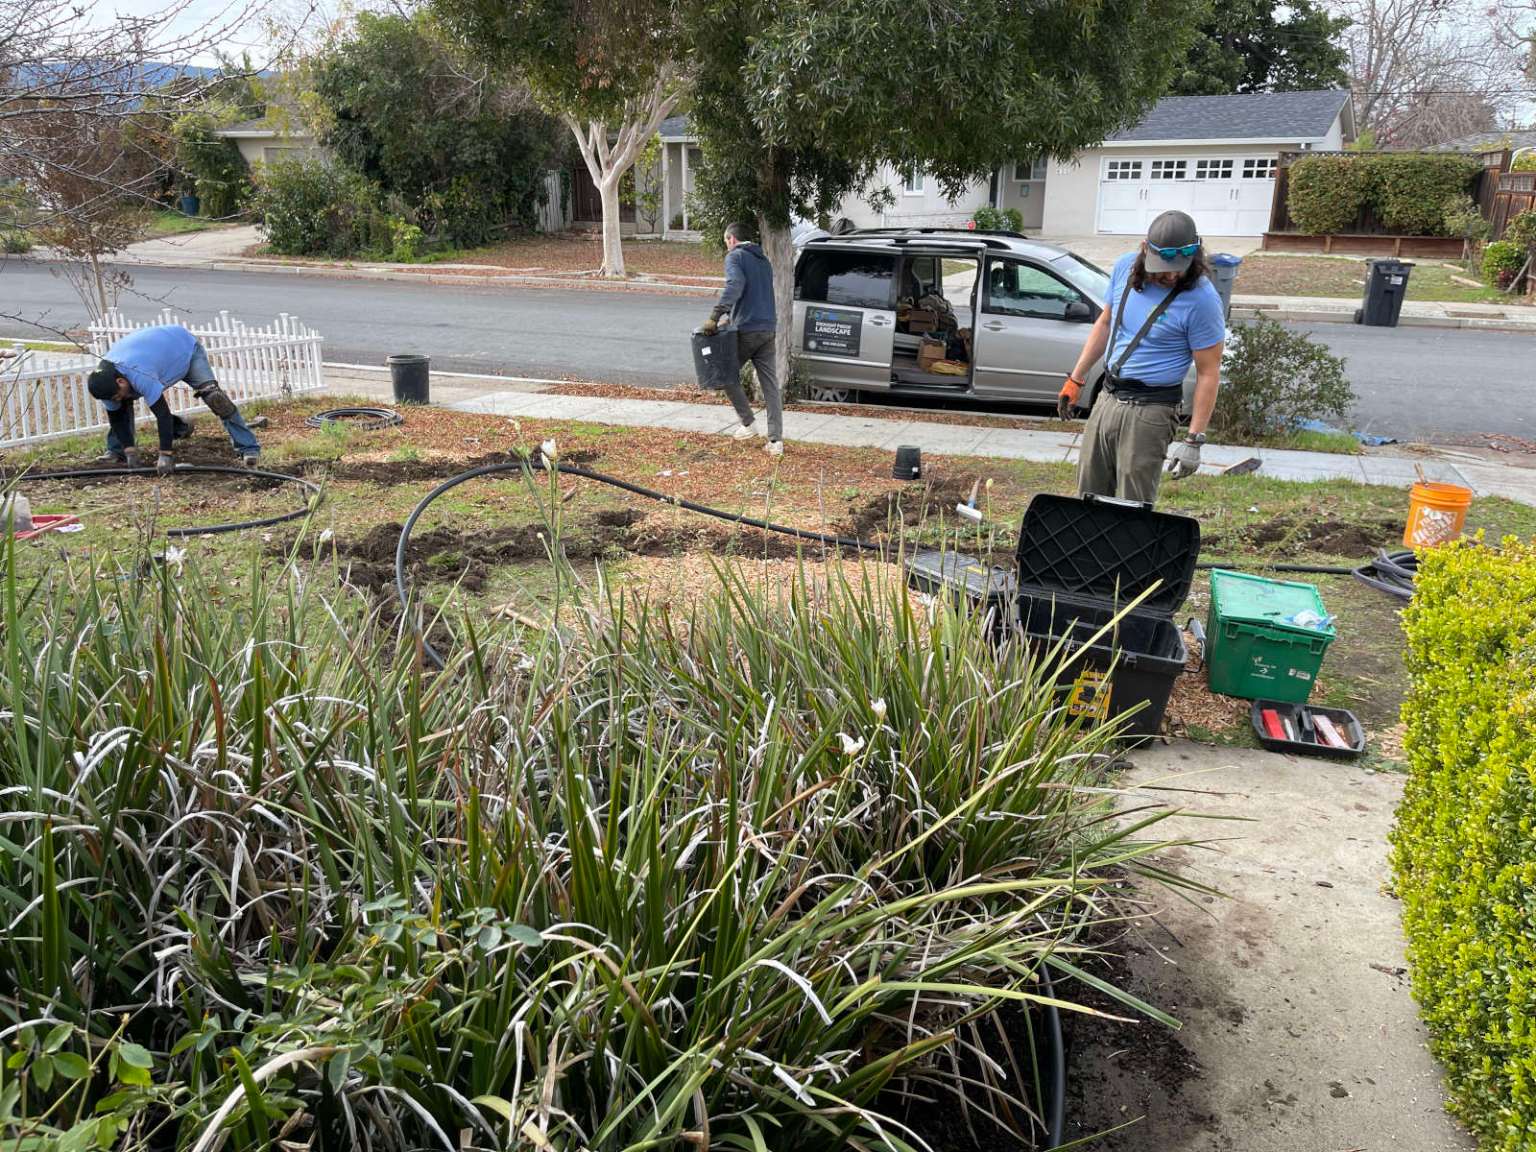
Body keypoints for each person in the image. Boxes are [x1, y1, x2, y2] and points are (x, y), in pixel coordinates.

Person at [1057, 211, 1225, 503]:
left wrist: (1194, 440)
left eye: (1179, 268)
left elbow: (1209, 373)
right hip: (1108, 398)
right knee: (1088, 493)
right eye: (1163, 268)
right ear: (1146, 249)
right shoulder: (1123, 268)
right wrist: (1076, 378)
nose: (1172, 275)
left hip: (1153, 410)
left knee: (1133, 504)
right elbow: (1106, 323)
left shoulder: (1203, 299)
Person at [86, 324, 261, 474]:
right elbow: (116, 418)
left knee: (216, 398)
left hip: (185, 349)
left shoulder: (140, 373)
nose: (116, 398)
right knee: (120, 408)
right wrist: (130, 451)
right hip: (157, 356)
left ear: (121, 381)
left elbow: (162, 414)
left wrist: (165, 455)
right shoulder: (104, 383)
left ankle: (248, 447)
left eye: (118, 393)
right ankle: (118, 451)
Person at [699, 222, 782, 457]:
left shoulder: (735, 257)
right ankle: (776, 441)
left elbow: (735, 285)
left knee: (724, 373)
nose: (727, 247)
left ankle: (748, 424)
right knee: (770, 386)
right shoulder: (763, 260)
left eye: (726, 242)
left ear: (732, 239)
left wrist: (716, 316)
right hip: (768, 329)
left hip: (746, 330)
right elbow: (756, 295)